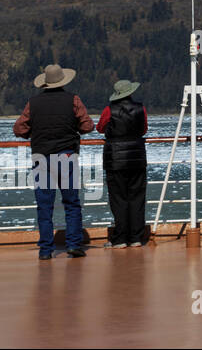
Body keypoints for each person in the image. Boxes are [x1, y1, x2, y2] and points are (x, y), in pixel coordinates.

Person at [13, 64, 93, 260]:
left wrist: (35, 131)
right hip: (66, 156)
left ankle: (46, 250)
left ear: (45, 83)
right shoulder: (73, 99)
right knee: (72, 203)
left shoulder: (33, 103)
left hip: (41, 157)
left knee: (44, 205)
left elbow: (19, 129)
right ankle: (74, 245)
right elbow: (88, 125)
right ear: (63, 80)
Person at [97, 79, 149, 249]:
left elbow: (100, 127)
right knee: (137, 197)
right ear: (130, 92)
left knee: (118, 198)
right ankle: (136, 237)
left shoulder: (108, 110)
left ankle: (119, 238)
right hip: (137, 157)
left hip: (115, 159)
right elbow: (144, 129)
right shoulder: (141, 108)